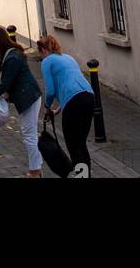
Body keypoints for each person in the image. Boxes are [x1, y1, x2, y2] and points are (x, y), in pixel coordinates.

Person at [0, 26, 44, 177]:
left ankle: (35, 171)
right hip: (28, 96)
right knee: (29, 133)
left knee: (29, 134)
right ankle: (37, 167)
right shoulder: (10, 55)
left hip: (28, 98)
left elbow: (6, 83)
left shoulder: (12, 57)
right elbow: (7, 73)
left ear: (0, 42)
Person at [37, 34, 95, 177]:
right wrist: (59, 108)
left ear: (43, 50)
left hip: (74, 101)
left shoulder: (47, 61)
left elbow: (50, 90)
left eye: (40, 52)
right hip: (89, 96)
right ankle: (86, 176)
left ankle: (81, 176)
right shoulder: (68, 58)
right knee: (81, 143)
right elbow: (74, 85)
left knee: (73, 145)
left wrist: (46, 108)